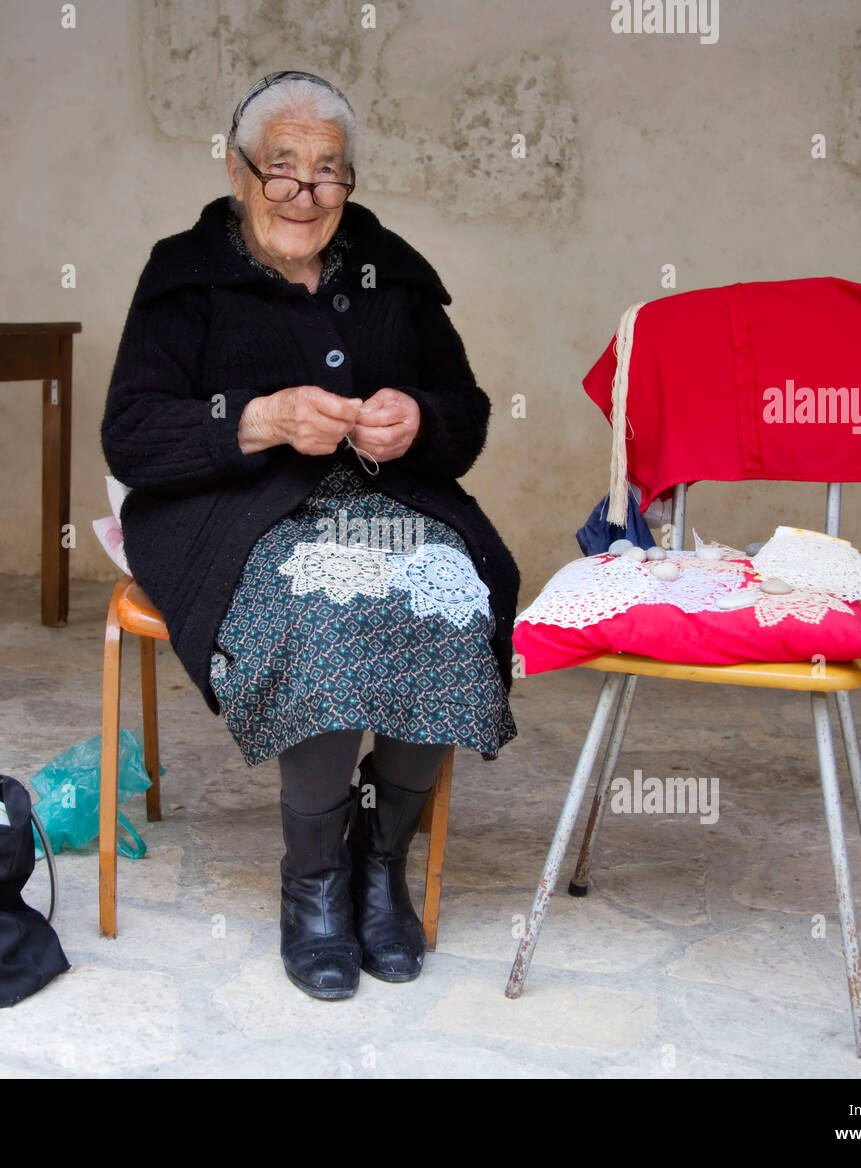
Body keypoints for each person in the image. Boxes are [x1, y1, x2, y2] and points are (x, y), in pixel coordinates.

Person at [101, 70, 518, 1000]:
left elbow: (467, 410)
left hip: (387, 503)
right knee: (320, 617)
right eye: (281, 168)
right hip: (225, 510)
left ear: (351, 180)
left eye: (328, 172)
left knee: (445, 601)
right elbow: (130, 431)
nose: (304, 192)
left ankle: (379, 863)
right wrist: (257, 419)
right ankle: (315, 886)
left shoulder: (390, 270)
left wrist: (418, 421)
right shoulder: (184, 273)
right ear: (238, 169)